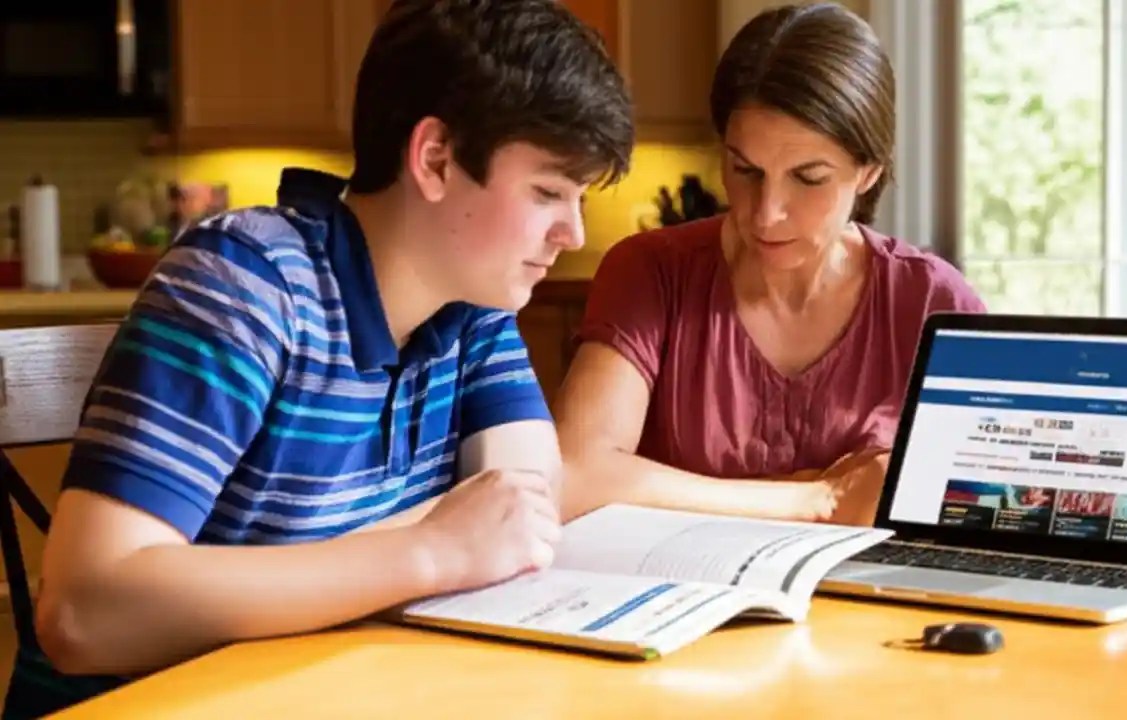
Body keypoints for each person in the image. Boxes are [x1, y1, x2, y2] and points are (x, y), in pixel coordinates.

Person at [5, 0, 633, 716]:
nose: (573, 233)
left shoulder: (474, 313)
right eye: (549, 192)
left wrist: (451, 542)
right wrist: (428, 552)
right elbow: (85, 614)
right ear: (435, 159)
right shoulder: (243, 283)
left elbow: (519, 516)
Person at [555, 2, 984, 528]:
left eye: (808, 177)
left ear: (868, 172)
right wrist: (817, 500)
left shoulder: (933, 304)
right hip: (684, 601)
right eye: (745, 169)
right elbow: (576, 477)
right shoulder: (651, 274)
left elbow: (984, 507)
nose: (766, 213)